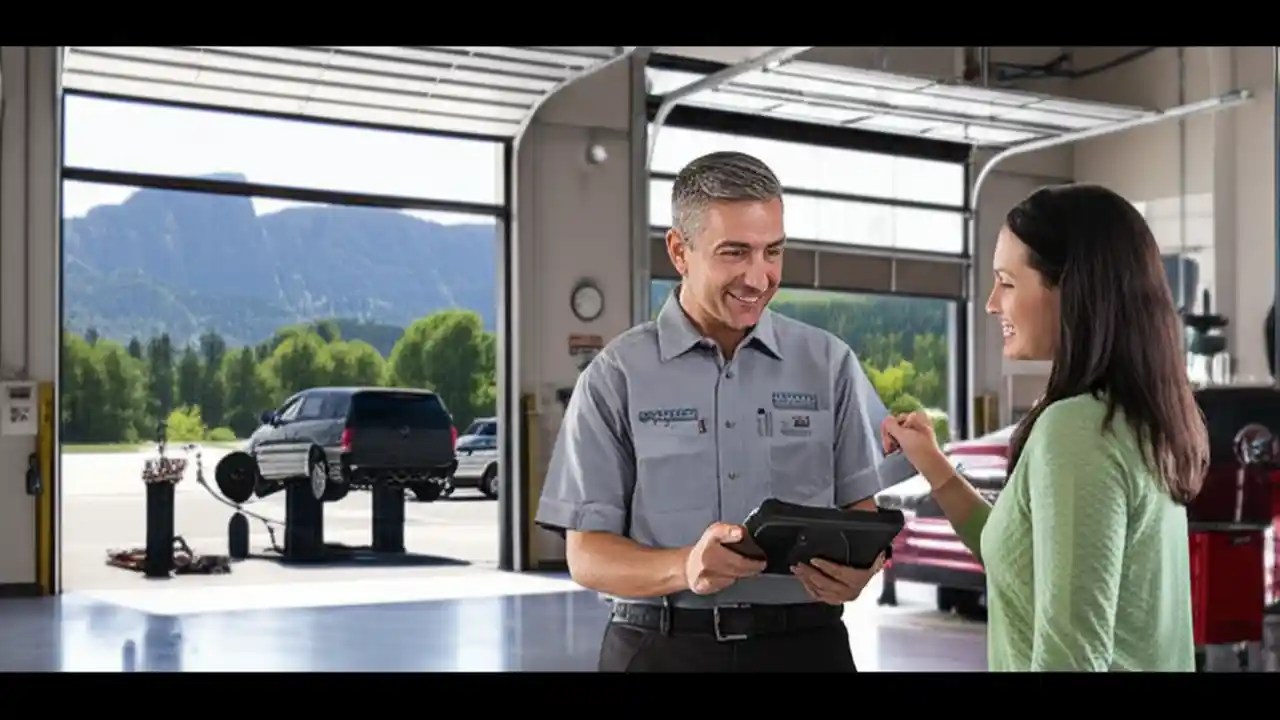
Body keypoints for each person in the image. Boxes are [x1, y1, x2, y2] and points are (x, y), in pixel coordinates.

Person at [535, 150, 914, 672]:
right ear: (679, 250)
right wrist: (684, 566)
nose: (759, 278)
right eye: (735, 253)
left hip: (807, 651)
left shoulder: (830, 364)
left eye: (772, 252)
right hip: (661, 651)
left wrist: (862, 569)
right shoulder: (616, 375)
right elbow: (588, 555)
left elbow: (860, 517)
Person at [881, 183, 1209, 672]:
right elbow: (1020, 558)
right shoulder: (1130, 418)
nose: (992, 303)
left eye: (1007, 282)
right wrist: (931, 460)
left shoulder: (1075, 430)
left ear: (1072, 290)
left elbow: (1070, 659)